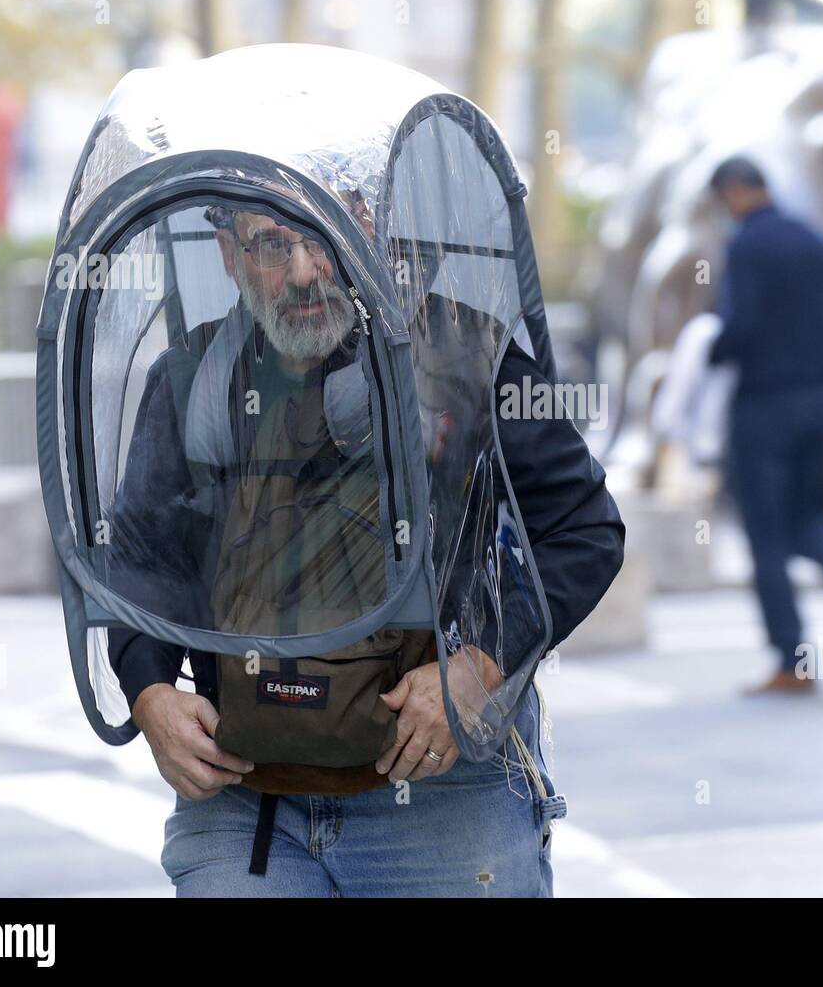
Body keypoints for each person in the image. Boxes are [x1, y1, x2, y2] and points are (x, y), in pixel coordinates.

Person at [106, 204, 625, 896]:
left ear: (368, 233)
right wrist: (151, 695)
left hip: (442, 796)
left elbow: (584, 528)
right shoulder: (192, 376)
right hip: (248, 803)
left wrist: (476, 668)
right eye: (269, 244)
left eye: (322, 240)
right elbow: (142, 559)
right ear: (228, 253)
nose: (303, 272)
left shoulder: (469, 358)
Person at [708, 156, 823, 694]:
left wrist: (705, 348)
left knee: (764, 534)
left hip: (765, 406)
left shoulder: (747, 246)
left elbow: (741, 326)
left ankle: (793, 661)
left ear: (735, 192)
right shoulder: (818, 240)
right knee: (805, 514)